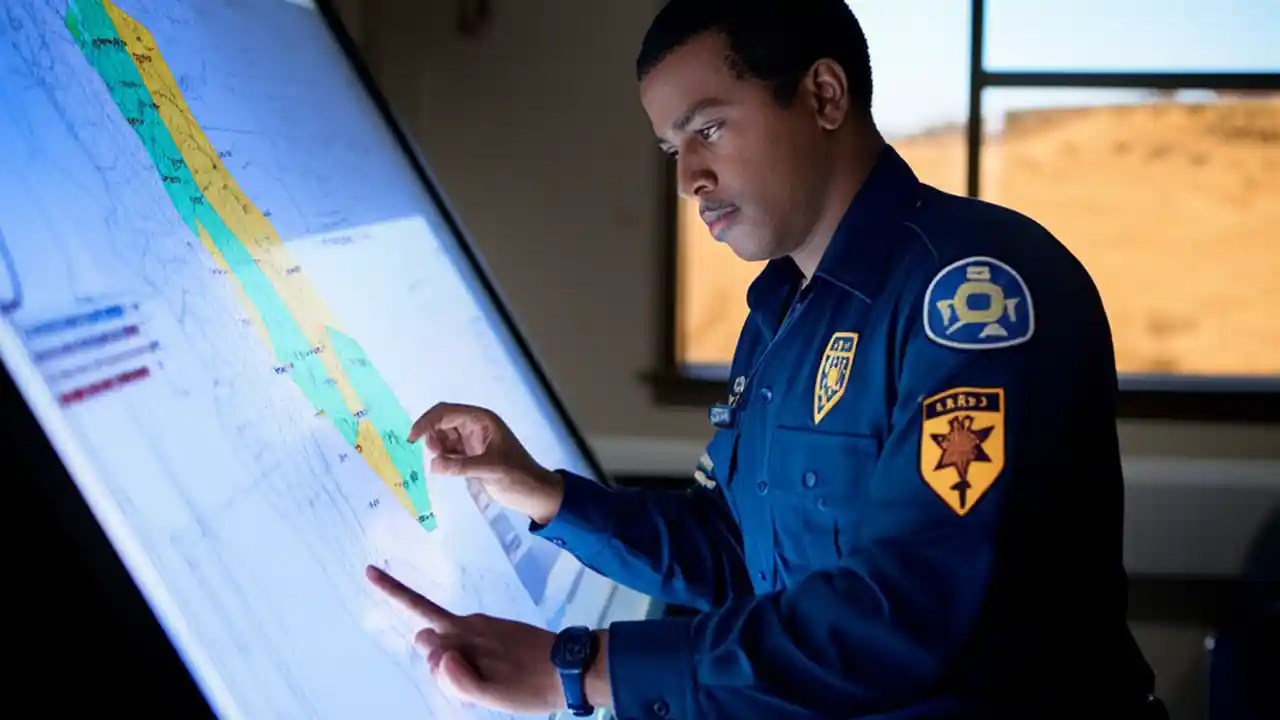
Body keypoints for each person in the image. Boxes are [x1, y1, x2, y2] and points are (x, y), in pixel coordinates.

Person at [367, 1, 1166, 717]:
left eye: (708, 129)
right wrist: (541, 494)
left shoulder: (972, 293)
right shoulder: (783, 311)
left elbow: (900, 617)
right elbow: (734, 550)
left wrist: (577, 668)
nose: (689, 179)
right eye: (670, 147)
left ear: (823, 95)